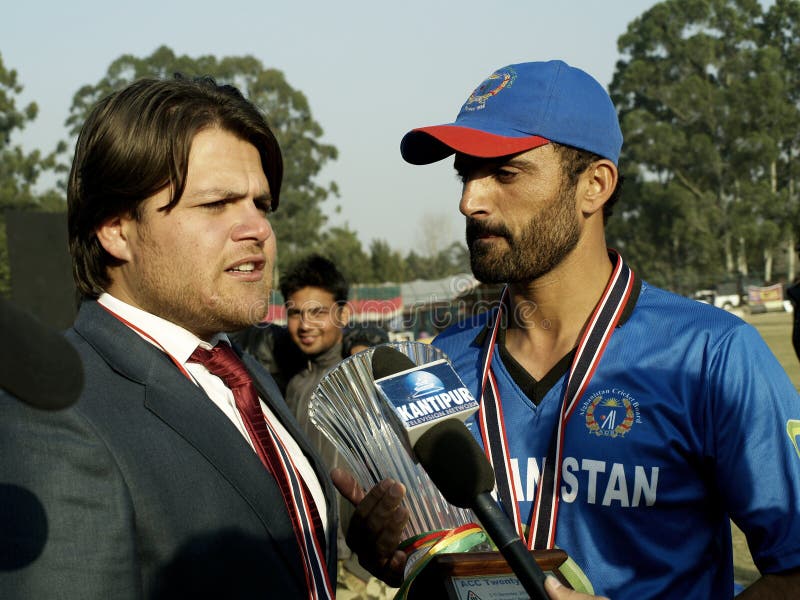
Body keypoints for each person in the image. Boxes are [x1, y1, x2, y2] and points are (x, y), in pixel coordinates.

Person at [380, 60, 800, 598]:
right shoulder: (440, 363)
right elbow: (439, 551)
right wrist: (397, 552)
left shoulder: (711, 354)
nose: (470, 202)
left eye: (505, 172)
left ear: (594, 186)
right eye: (466, 174)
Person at [0, 75, 407, 599]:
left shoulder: (242, 371)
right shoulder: (57, 416)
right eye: (217, 204)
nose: (256, 228)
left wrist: (342, 542)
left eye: (260, 204)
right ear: (116, 229)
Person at [280, 254, 397, 599]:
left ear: (343, 315)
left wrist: (362, 569)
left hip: (356, 566)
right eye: (295, 313)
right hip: (308, 553)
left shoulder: (360, 379)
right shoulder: (293, 384)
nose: (304, 324)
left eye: (317, 312)